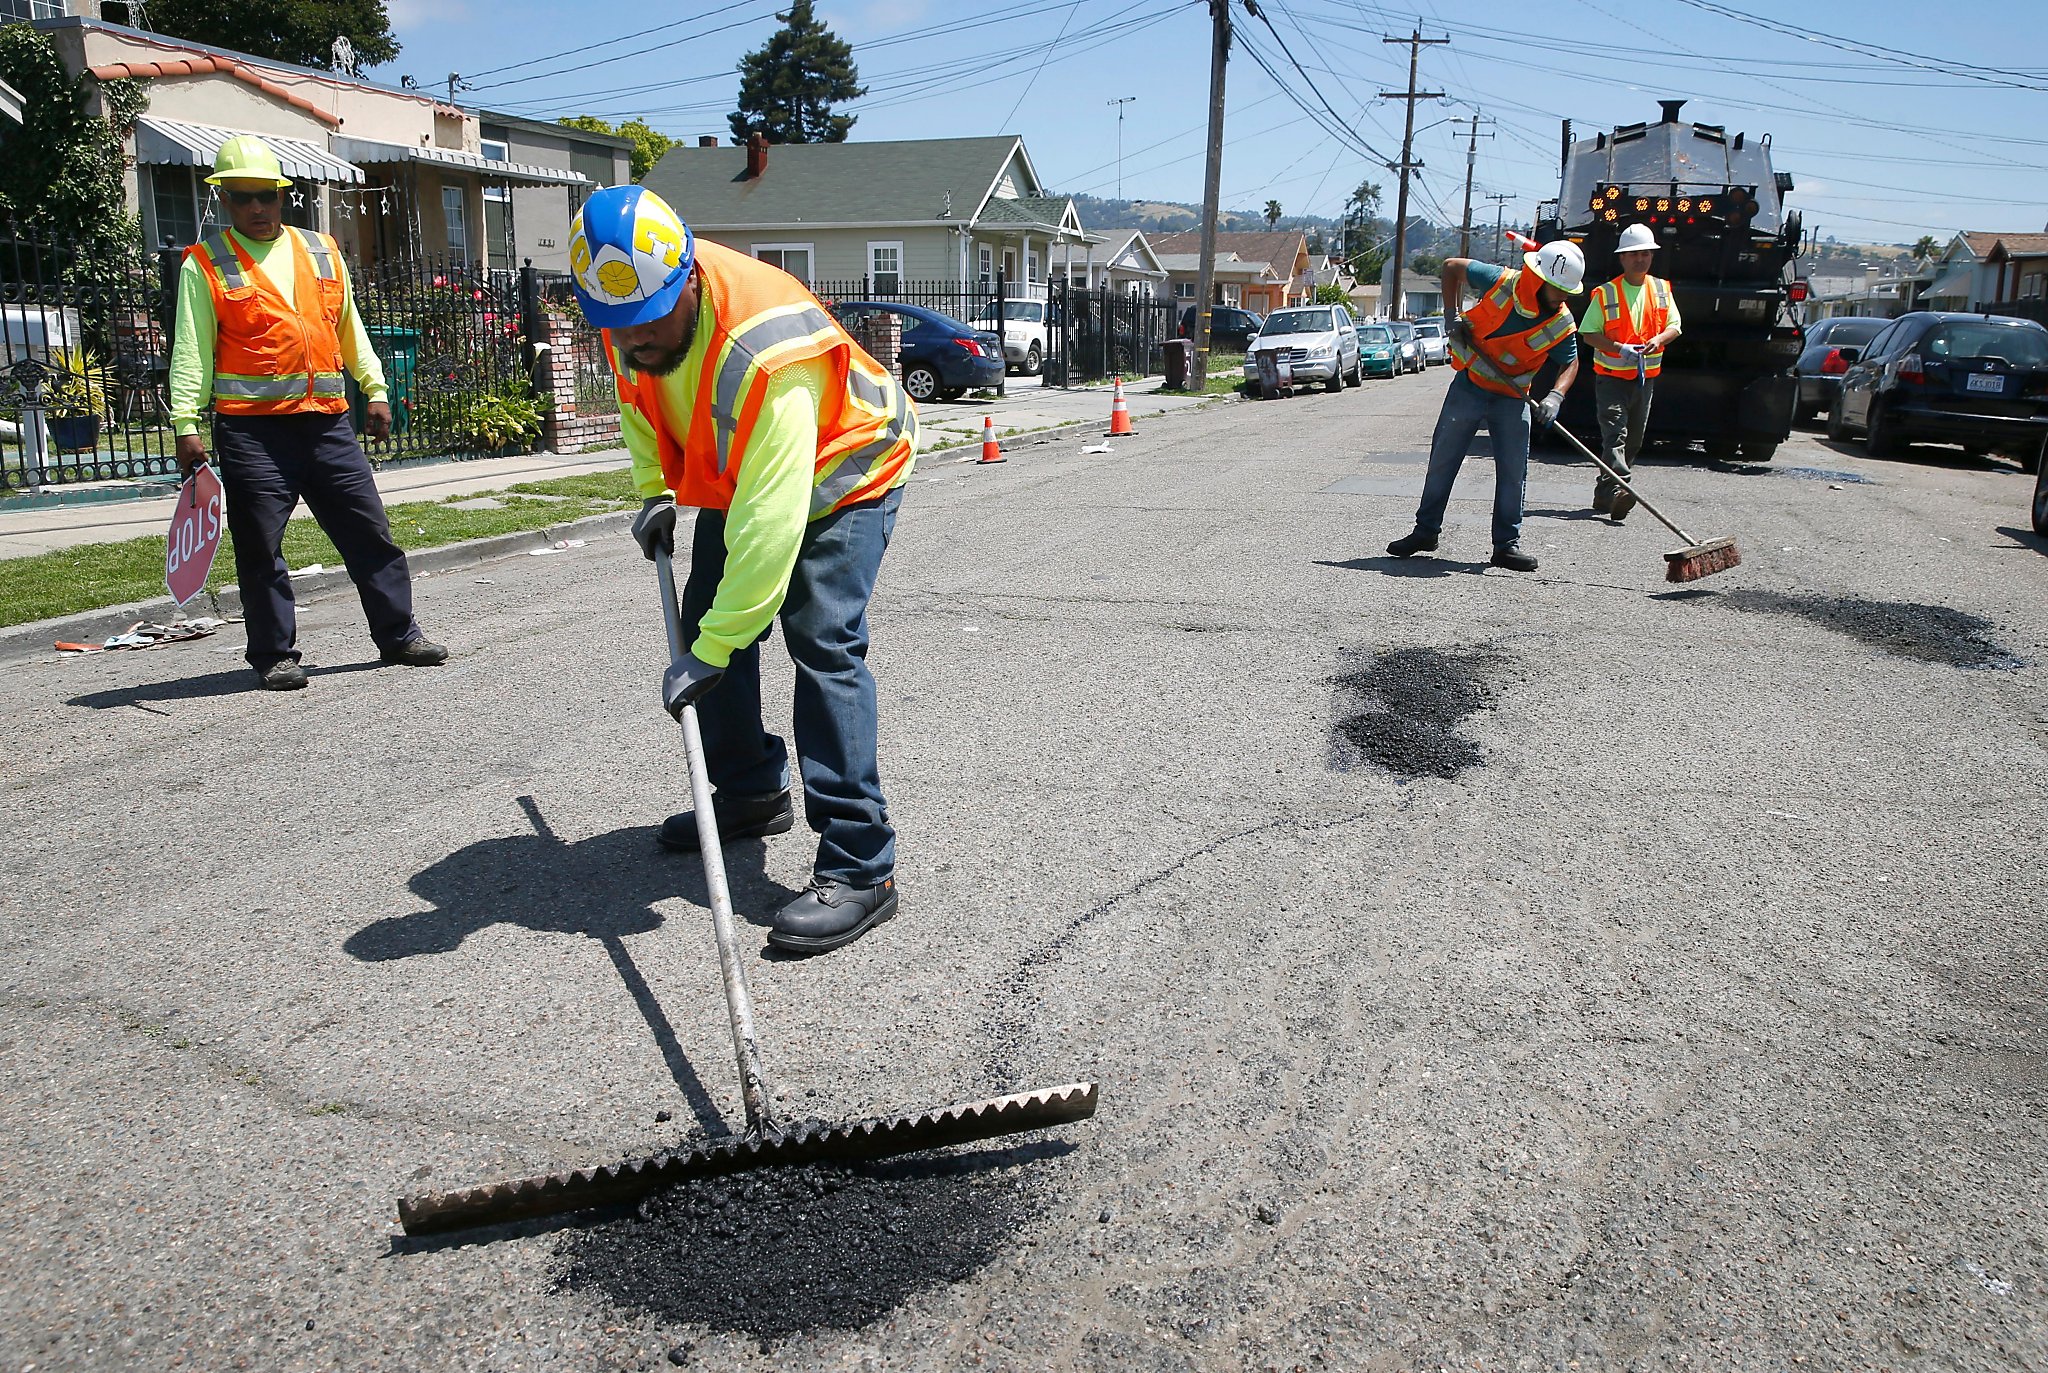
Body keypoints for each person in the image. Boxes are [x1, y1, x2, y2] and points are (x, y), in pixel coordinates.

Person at [566, 185, 918, 955]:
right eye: (619, 331)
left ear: (687, 279)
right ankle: (753, 790)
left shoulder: (766, 347)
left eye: (651, 323)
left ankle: (863, 866)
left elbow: (770, 526)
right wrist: (654, 488)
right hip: (752, 464)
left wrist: (715, 650)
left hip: (848, 460)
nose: (636, 342)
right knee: (704, 618)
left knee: (820, 636)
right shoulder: (625, 308)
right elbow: (638, 399)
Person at [170, 136, 445, 691]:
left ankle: (399, 636)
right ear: (224, 199)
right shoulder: (205, 265)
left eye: (267, 196)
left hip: (325, 423)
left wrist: (376, 388)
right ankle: (274, 654)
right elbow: (192, 347)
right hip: (252, 432)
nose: (257, 207)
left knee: (370, 533)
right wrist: (186, 422)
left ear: (281, 196)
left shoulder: (320, 249)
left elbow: (350, 325)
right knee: (260, 545)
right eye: (244, 197)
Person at [1385, 240, 1585, 572]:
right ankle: (1425, 532)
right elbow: (1451, 267)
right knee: (1442, 461)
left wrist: (1556, 396)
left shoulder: (1561, 323)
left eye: (1567, 291)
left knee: (1512, 473)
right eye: (1558, 288)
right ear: (1538, 280)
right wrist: (1451, 316)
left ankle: (1506, 545)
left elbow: (1570, 363)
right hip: (1470, 385)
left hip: (1513, 396)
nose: (1563, 296)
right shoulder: (1502, 280)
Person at [1579, 222, 1682, 520]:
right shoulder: (1606, 293)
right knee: (1616, 435)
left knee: (1634, 439)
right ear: (1622, 258)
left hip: (1644, 379)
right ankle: (1620, 488)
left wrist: (1659, 339)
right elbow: (1588, 333)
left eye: (1646, 254)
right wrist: (1619, 348)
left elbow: (1674, 326)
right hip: (1611, 378)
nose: (1641, 259)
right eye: (1634, 254)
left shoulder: (1662, 289)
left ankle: (1605, 493)